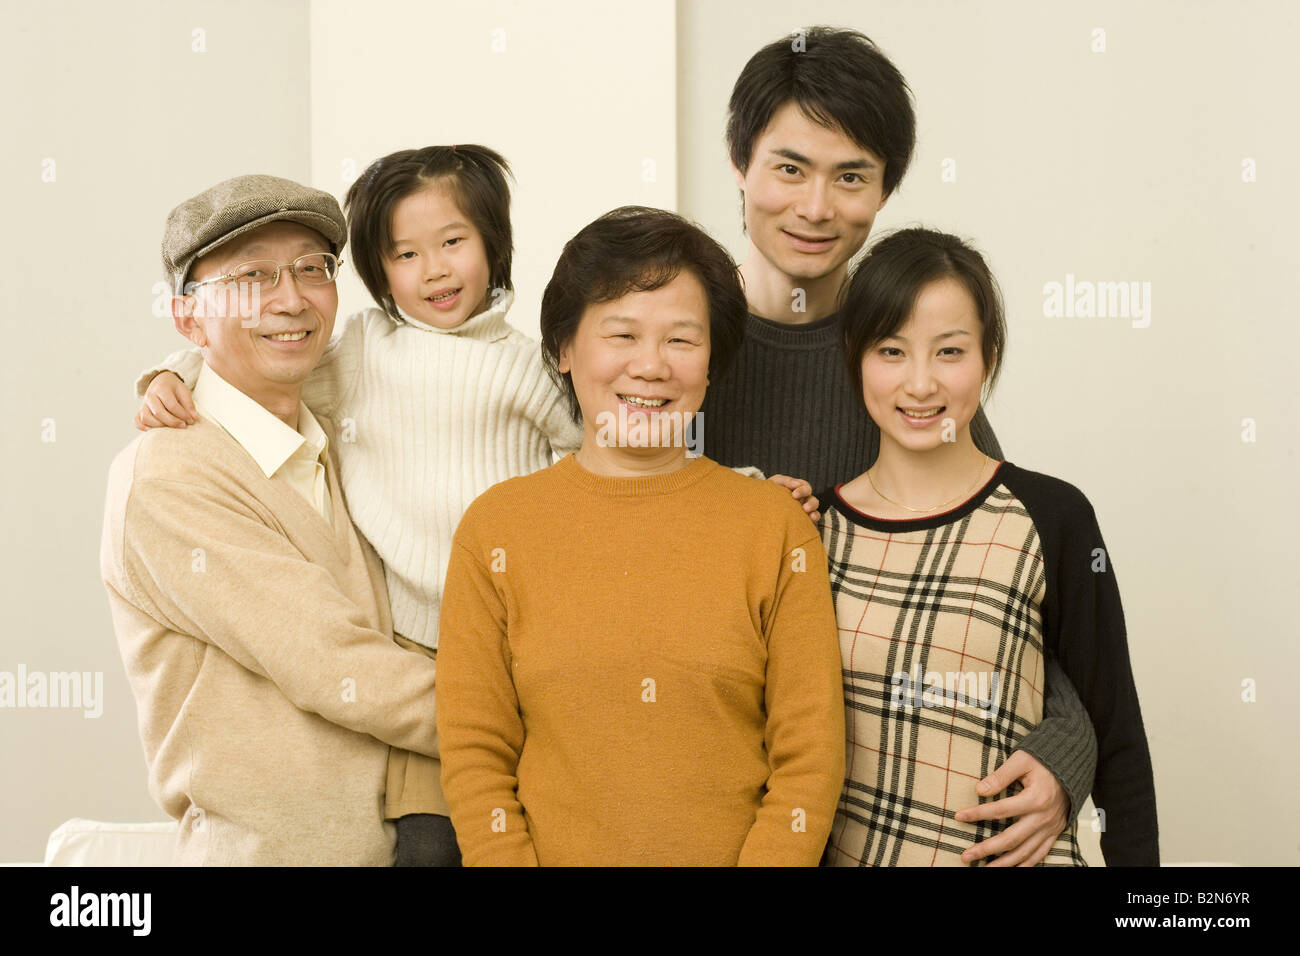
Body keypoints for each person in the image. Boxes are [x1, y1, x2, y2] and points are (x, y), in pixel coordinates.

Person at [131, 146, 820, 865]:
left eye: (309, 268)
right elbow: (257, 370)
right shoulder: (351, 366)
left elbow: (615, 440)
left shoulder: (512, 368)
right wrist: (171, 375)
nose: (433, 269)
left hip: (522, 644)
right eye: (404, 253)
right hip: (436, 665)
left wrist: (735, 494)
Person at [700, 26, 1099, 863]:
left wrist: (1065, 755)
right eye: (789, 168)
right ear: (739, 164)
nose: (816, 207)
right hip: (718, 802)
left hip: (887, 823)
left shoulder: (907, 372)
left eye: (852, 177)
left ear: (885, 192)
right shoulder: (672, 354)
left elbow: (1006, 593)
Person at [435, 206, 845, 865]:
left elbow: (810, 755)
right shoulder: (495, 531)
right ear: (565, 349)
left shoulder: (774, 528)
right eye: (621, 335)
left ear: (712, 362)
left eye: (681, 340)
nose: (650, 367)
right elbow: (475, 752)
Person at [100, 174, 441, 865]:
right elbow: (333, 664)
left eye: (312, 269)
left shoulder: (343, 439)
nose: (291, 299)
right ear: (189, 319)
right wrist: (539, 716)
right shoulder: (172, 476)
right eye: (252, 276)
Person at [817, 227, 1158, 865]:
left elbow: (1117, 737)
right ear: (854, 357)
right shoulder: (813, 528)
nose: (920, 384)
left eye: (949, 352)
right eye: (891, 351)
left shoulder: (1053, 516)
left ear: (988, 357)